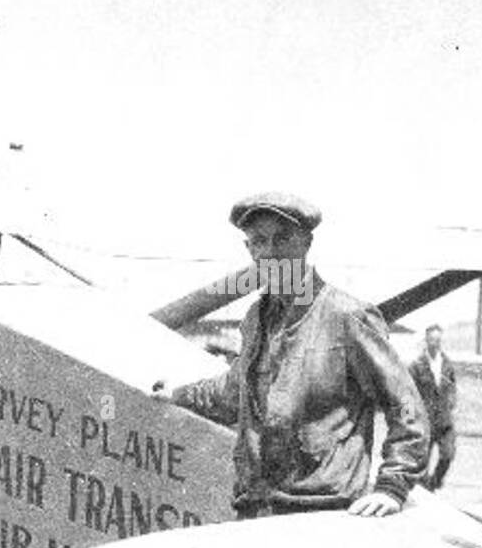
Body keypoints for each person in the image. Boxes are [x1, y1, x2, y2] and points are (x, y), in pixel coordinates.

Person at [162, 191, 429, 518]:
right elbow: (234, 393)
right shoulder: (256, 319)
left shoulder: (347, 316)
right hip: (257, 506)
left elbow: (405, 404)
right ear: (250, 250)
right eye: (260, 241)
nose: (271, 253)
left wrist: (393, 486)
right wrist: (177, 394)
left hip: (323, 511)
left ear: (306, 243)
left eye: (283, 239)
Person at [409, 325, 457, 491]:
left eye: (438, 340)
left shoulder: (447, 364)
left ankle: (434, 483)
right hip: (425, 420)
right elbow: (409, 393)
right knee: (423, 461)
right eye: (432, 340)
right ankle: (423, 490)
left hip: (444, 420)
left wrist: (451, 403)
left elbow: (452, 387)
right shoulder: (416, 365)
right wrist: (410, 417)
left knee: (448, 454)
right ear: (426, 341)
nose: (435, 343)